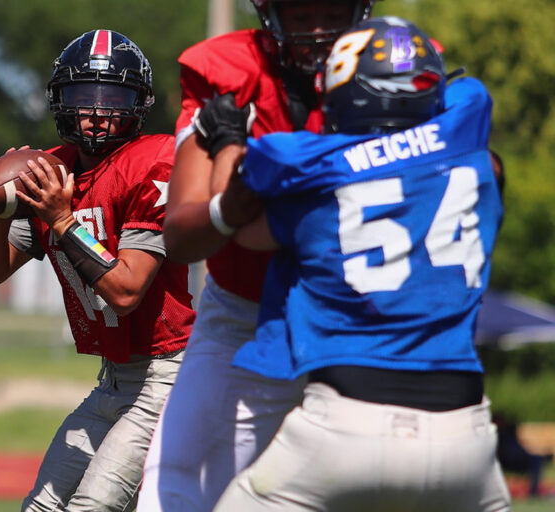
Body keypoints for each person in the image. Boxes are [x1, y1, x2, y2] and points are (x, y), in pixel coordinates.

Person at [212, 16, 511, 511]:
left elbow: (240, 226)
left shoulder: (312, 174)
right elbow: (470, 96)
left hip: (345, 423)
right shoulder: (477, 165)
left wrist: (226, 141)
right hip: (468, 434)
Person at [138, 2, 378, 511]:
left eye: (334, 9)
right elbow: (181, 234)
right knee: (173, 488)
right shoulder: (227, 71)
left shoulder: (395, 68)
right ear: (270, 12)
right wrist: (228, 207)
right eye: (302, 11)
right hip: (244, 315)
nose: (319, 30)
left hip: (366, 319)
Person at [0, 29, 195, 512]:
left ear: (138, 104)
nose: (96, 111)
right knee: (42, 506)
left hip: (169, 373)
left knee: (94, 507)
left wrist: (61, 219)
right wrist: (1, 208)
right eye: (81, 96)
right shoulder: (52, 171)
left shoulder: (152, 161)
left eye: (112, 96)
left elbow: (127, 290)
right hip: (114, 377)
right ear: (58, 102)